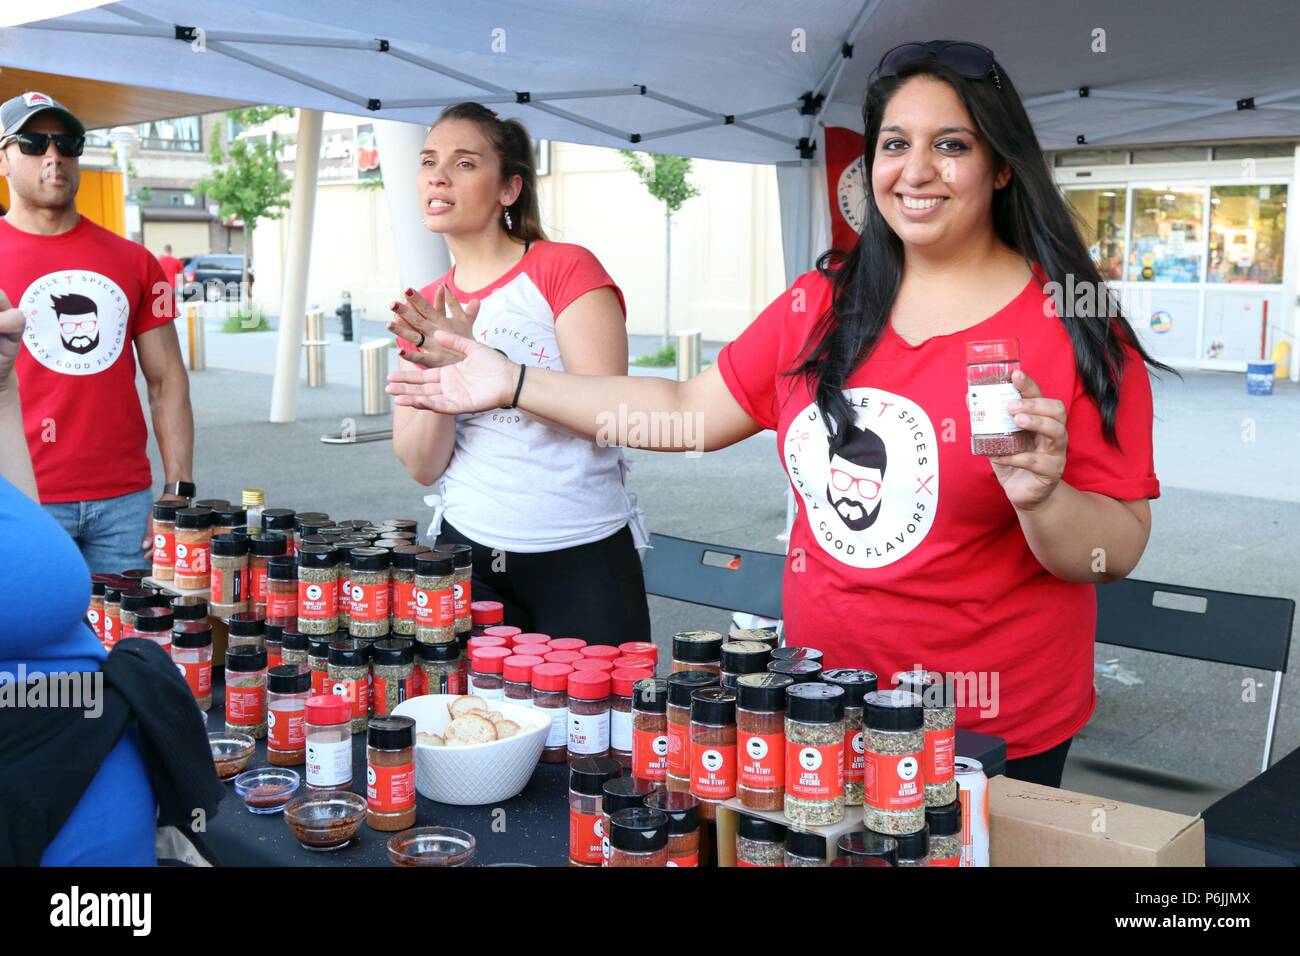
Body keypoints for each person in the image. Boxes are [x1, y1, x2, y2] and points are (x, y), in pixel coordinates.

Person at [387, 43, 1167, 787]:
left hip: (990, 725)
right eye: (895, 144)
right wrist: (511, 380)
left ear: (1000, 166)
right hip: (819, 706)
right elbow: (684, 411)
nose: (917, 170)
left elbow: (1116, 547)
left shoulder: (1074, 326)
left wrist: (1044, 498)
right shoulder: (819, 305)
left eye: (952, 145)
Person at [386, 102, 651, 644]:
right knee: (483, 725)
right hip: (471, 554)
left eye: (464, 163)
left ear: (509, 189)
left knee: (591, 727)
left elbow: (610, 418)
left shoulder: (564, 267)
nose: (437, 175)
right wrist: (444, 384)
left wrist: (497, 378)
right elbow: (421, 464)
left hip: (581, 552)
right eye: (428, 160)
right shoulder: (426, 308)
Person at [0, 92, 195, 574]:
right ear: (3, 157)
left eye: (67, 142)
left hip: (124, 503)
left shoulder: (134, 261)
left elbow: (167, 379)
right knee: (32, 644)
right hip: (20, 498)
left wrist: (178, 489)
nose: (54, 155)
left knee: (129, 644)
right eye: (33, 142)